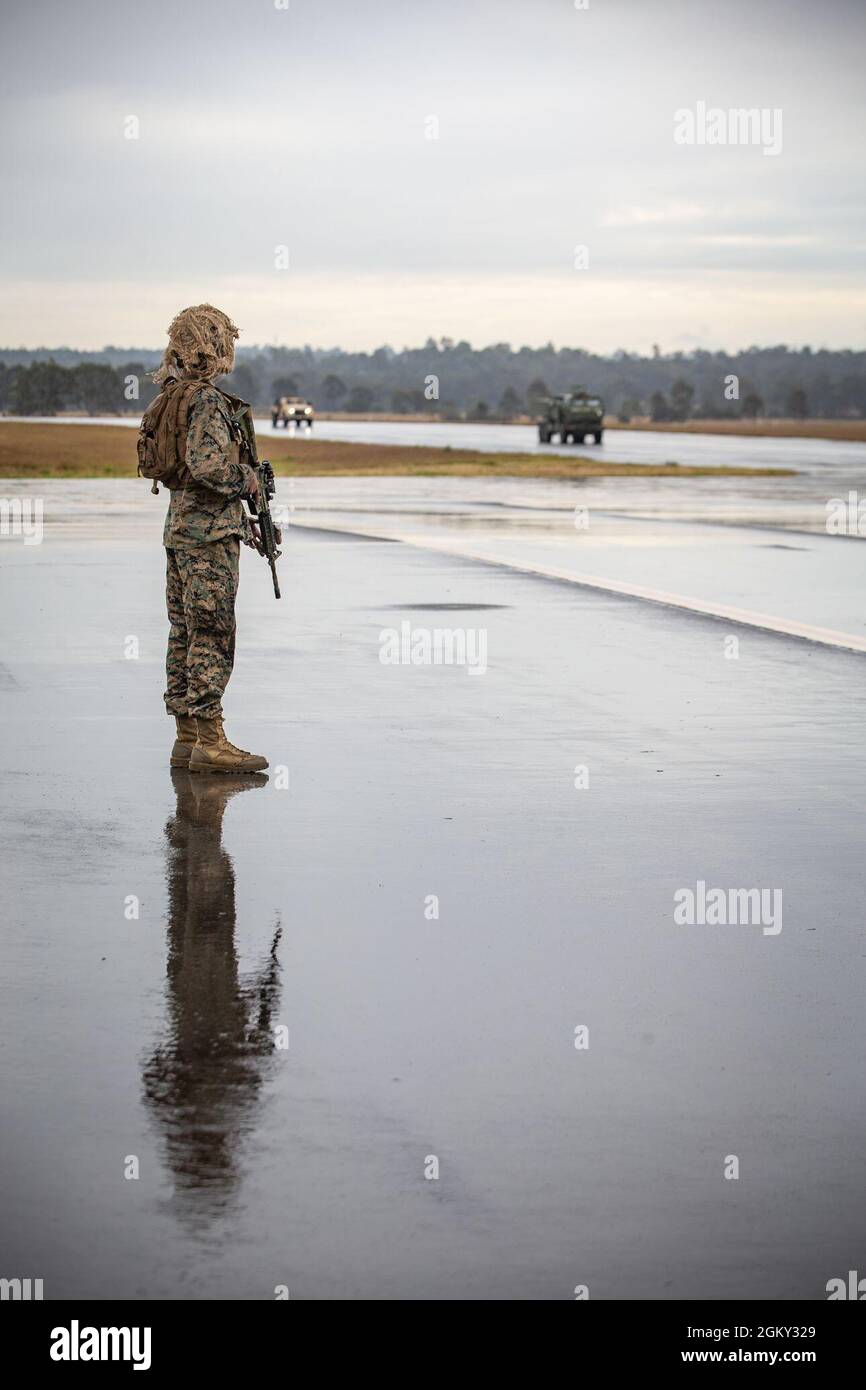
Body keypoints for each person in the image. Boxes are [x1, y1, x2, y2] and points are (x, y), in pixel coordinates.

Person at [147, 304, 269, 774]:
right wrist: (248, 479)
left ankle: (186, 736)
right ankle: (211, 738)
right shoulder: (207, 403)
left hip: (179, 532)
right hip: (209, 536)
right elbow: (208, 467)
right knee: (212, 632)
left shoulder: (171, 397)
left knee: (184, 631)